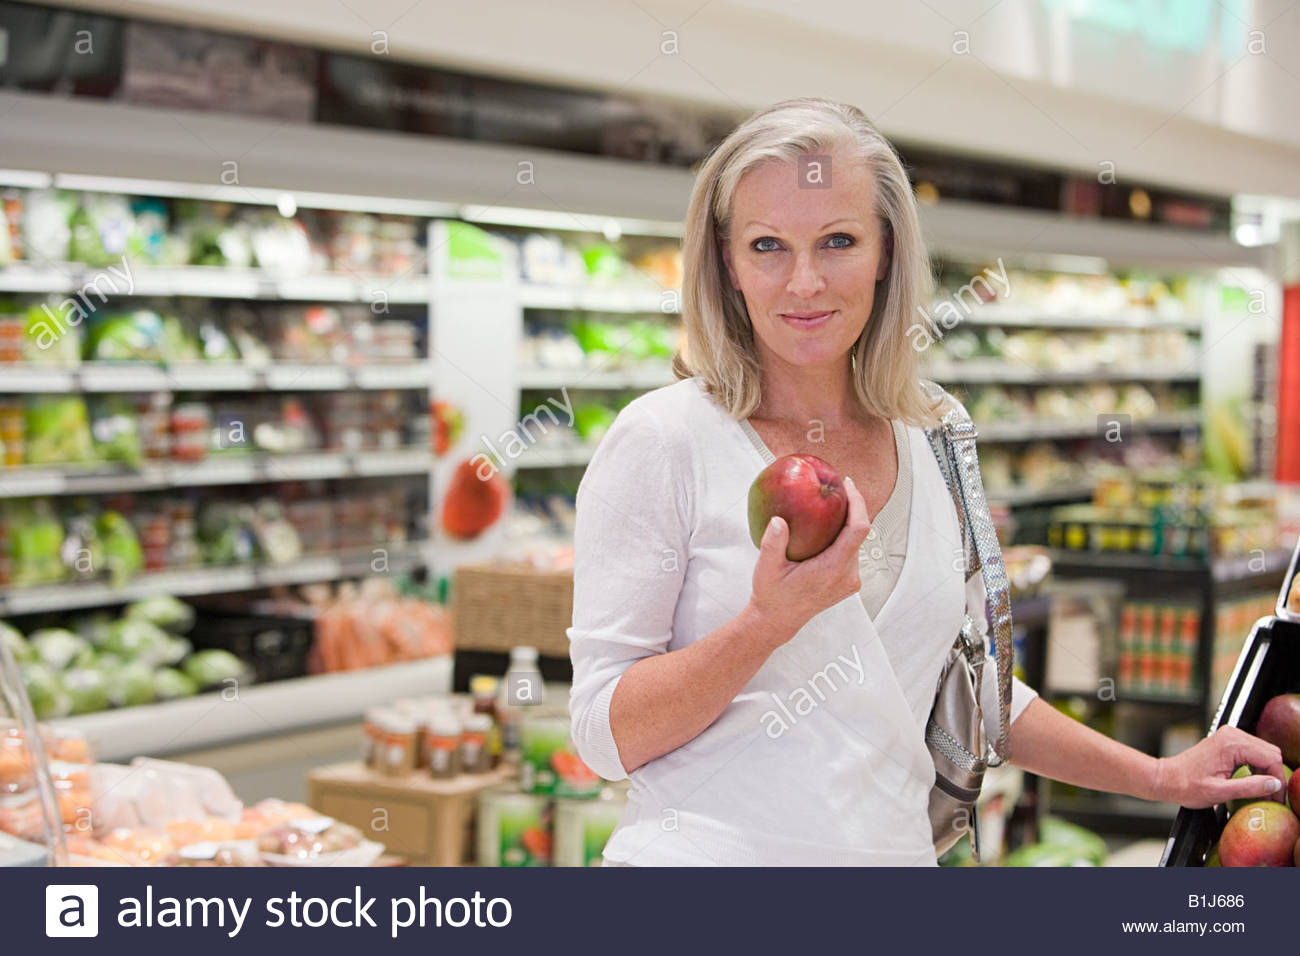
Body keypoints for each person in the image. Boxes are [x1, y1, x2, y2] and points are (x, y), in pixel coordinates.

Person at [566, 97, 1285, 866]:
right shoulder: (665, 439)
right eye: (767, 245)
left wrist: (1159, 776)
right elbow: (604, 737)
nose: (804, 281)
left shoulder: (934, 434)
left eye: (838, 241)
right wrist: (764, 624)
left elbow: (970, 685)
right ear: (727, 263)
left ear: (886, 251)